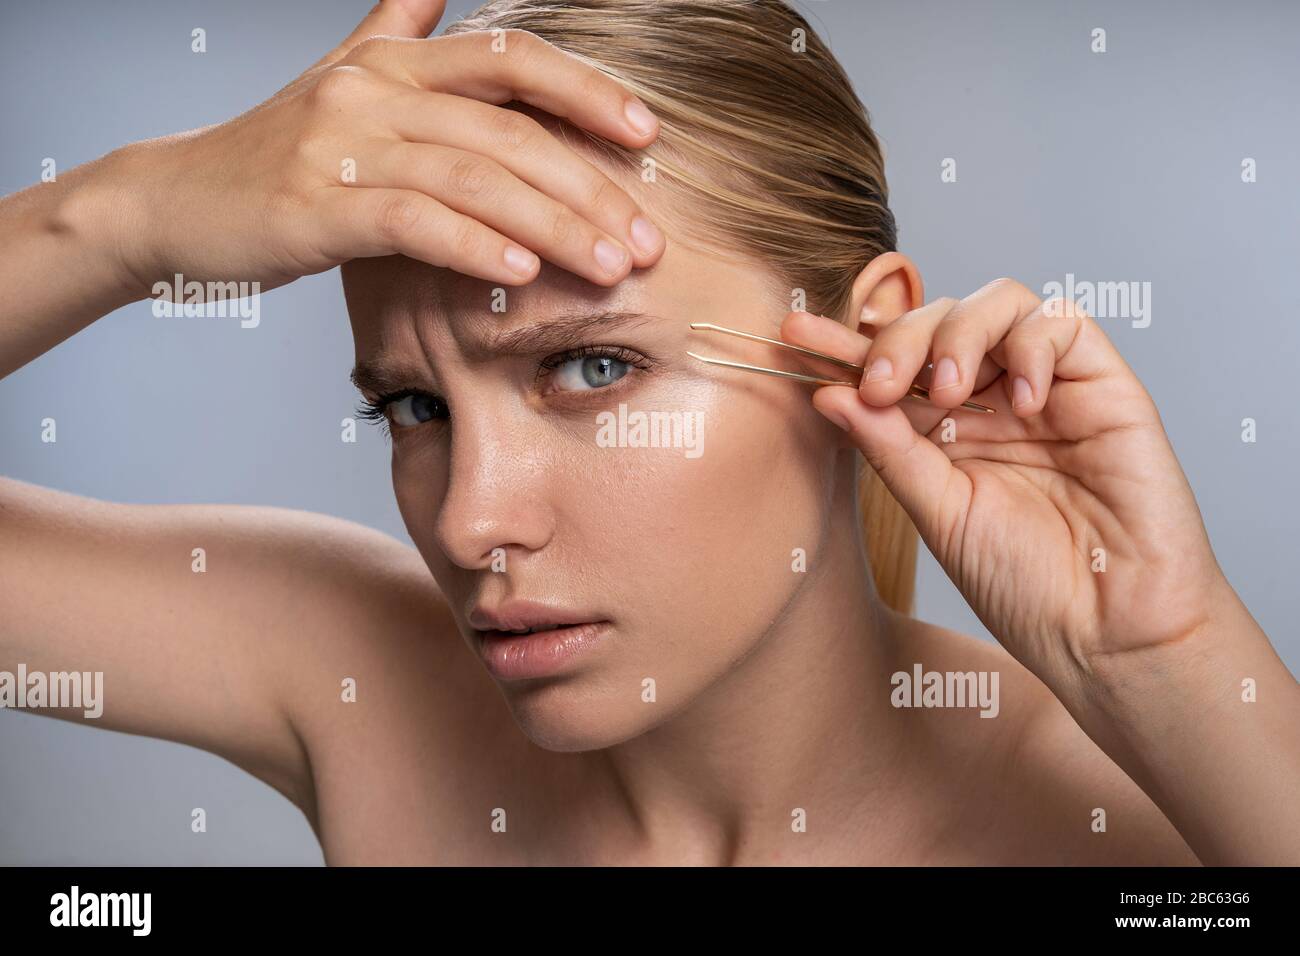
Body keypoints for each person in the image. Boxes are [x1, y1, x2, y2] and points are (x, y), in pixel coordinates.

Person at [1, 0, 1296, 865]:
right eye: (414, 407)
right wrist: (126, 217)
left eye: (593, 367)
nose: (468, 521)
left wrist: (1172, 667)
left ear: (870, 349)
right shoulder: (360, 684)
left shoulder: (1133, 826)